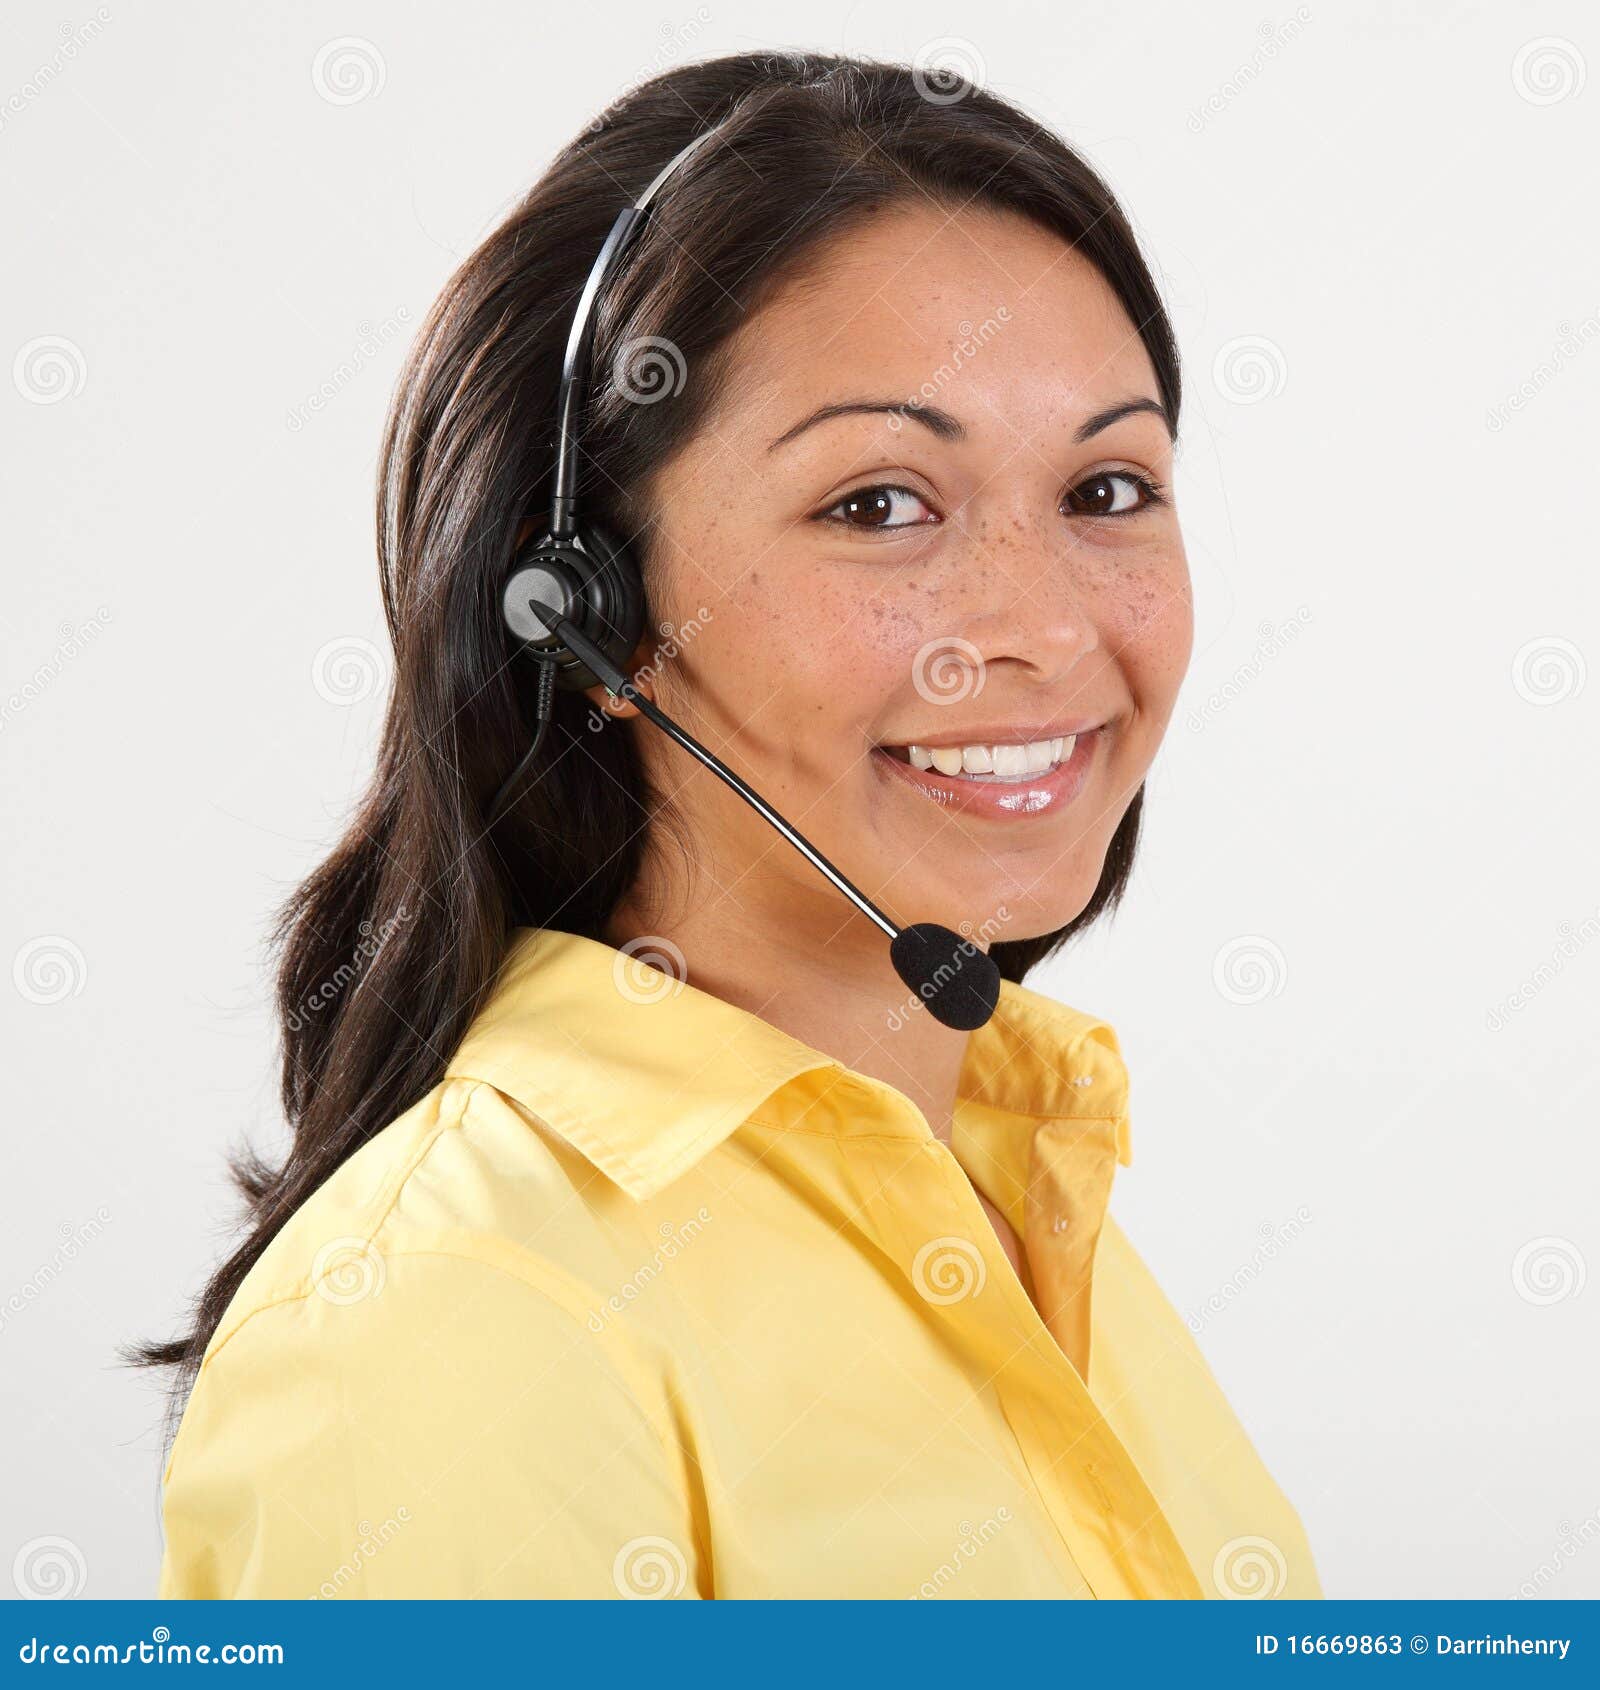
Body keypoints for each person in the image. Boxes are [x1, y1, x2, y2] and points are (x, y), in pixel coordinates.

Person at [139, 49, 1322, 1600]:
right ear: (590, 614)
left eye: (1106, 489)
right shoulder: (461, 1307)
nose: (1041, 625)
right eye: (882, 503)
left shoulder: (1020, 1189)